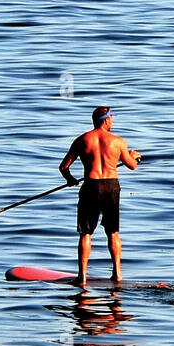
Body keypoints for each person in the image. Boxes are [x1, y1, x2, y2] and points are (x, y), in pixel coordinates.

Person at [58, 107, 141, 285]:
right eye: (111, 118)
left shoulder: (82, 140)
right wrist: (133, 156)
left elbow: (63, 167)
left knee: (86, 234)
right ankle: (117, 274)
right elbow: (132, 166)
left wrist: (71, 180)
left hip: (91, 186)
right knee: (113, 233)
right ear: (105, 120)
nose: (112, 121)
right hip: (111, 187)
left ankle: (82, 277)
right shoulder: (118, 142)